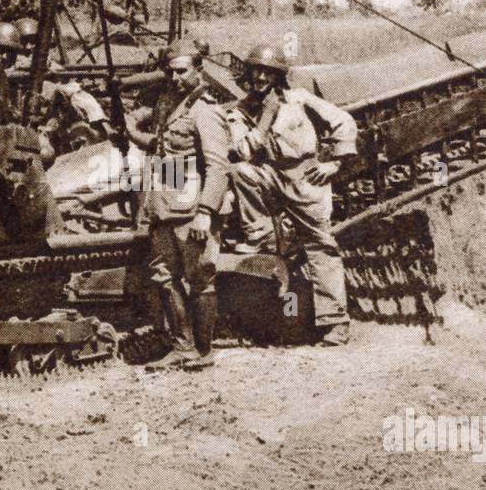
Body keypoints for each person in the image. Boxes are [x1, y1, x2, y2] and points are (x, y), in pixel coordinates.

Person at [229, 43, 357, 347]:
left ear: (278, 76)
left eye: (267, 72)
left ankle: (334, 323)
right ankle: (261, 235)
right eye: (255, 71)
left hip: (305, 177)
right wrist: (266, 116)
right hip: (269, 174)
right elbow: (243, 151)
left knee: (320, 244)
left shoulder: (299, 100)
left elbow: (343, 122)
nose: (260, 78)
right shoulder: (239, 111)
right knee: (240, 171)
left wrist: (334, 163)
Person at [129, 47, 231, 371]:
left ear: (198, 70)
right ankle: (181, 347)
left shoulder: (205, 110)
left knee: (199, 278)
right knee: (164, 277)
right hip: (164, 207)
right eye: (171, 71)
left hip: (191, 211)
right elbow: (163, 154)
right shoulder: (168, 104)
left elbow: (217, 167)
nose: (175, 77)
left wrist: (205, 211)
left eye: (182, 71)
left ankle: (203, 350)